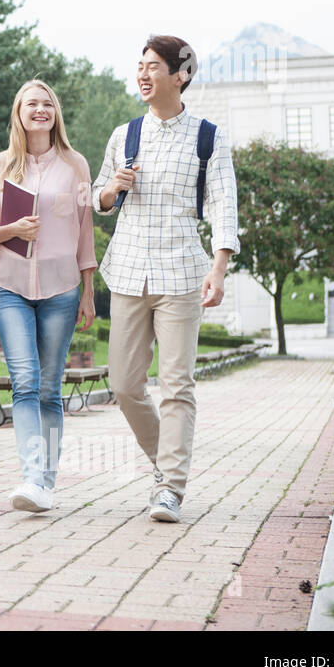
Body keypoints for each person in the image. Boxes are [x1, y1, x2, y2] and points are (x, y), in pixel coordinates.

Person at [92, 35, 240, 523]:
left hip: (181, 274)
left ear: (181, 75)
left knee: (176, 385)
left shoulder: (207, 137)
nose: (143, 73)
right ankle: (166, 465)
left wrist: (218, 268)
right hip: (129, 272)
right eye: (140, 65)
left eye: (153, 66)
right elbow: (97, 198)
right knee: (125, 384)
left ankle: (171, 488)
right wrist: (112, 187)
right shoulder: (124, 135)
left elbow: (223, 204)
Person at [0, 80, 97, 513]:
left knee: (48, 387)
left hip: (63, 289)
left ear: (55, 113)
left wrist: (88, 291)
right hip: (11, 288)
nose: (40, 110)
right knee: (24, 382)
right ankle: (30, 477)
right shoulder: (0, 167)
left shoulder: (76, 165)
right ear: (19, 113)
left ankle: (46, 481)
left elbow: (85, 230)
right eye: (31, 104)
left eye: (47, 104)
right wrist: (13, 231)